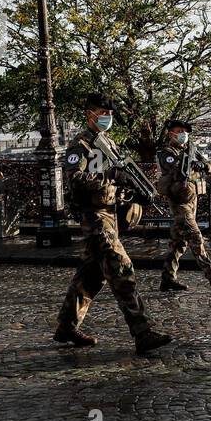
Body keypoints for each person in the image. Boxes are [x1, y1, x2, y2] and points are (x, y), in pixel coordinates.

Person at [53, 92, 173, 355]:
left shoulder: (107, 142)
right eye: (102, 113)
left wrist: (131, 187)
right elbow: (74, 180)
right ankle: (142, 333)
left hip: (110, 215)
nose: (107, 118)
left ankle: (66, 327)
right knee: (122, 270)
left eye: (109, 114)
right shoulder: (81, 145)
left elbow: (121, 173)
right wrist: (110, 176)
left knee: (91, 277)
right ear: (89, 114)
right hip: (95, 217)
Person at [157, 119, 211, 293]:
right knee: (196, 237)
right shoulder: (167, 152)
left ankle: (167, 278)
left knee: (179, 243)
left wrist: (203, 165)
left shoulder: (191, 150)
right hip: (179, 202)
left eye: (185, 131)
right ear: (171, 133)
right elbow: (178, 171)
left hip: (192, 200)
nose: (183, 134)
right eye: (179, 131)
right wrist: (196, 168)